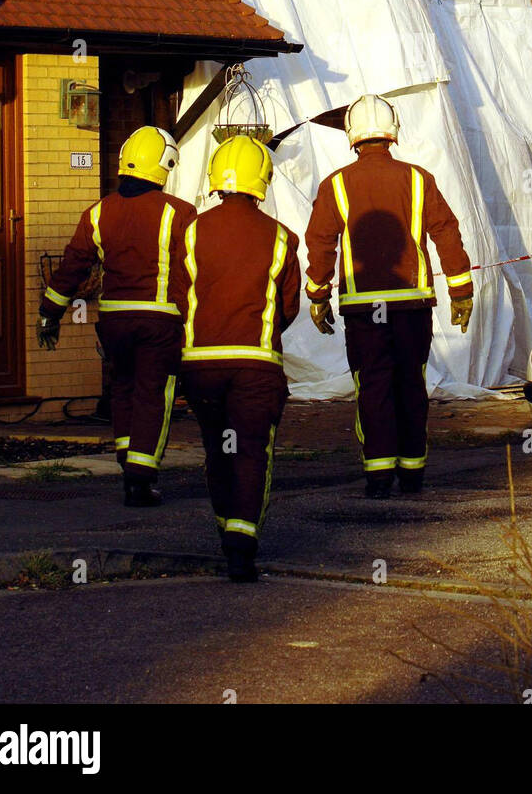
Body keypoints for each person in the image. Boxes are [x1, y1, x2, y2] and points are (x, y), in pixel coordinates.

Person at [305, 94, 473, 499]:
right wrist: (461, 290)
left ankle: (379, 474)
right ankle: (413, 471)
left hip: (364, 309)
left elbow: (320, 241)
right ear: (392, 132)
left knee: (373, 384)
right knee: (411, 382)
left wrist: (317, 294)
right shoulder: (419, 179)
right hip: (411, 305)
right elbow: (446, 232)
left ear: (352, 136)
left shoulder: (336, 185)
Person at [38, 126, 195, 506]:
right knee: (152, 396)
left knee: (123, 390)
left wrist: (49, 312)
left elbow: (73, 265)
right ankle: (140, 479)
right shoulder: (181, 213)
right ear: (166, 164)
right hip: (160, 321)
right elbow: (193, 272)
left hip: (114, 323)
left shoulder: (97, 212)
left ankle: (128, 462)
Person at [174, 135, 299, 582]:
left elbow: (177, 297)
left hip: (202, 366)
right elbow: (289, 308)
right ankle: (241, 546)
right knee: (250, 451)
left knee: (218, 448)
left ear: (216, 179)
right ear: (261, 180)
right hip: (255, 366)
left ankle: (227, 529)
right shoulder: (282, 237)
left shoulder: (191, 231)